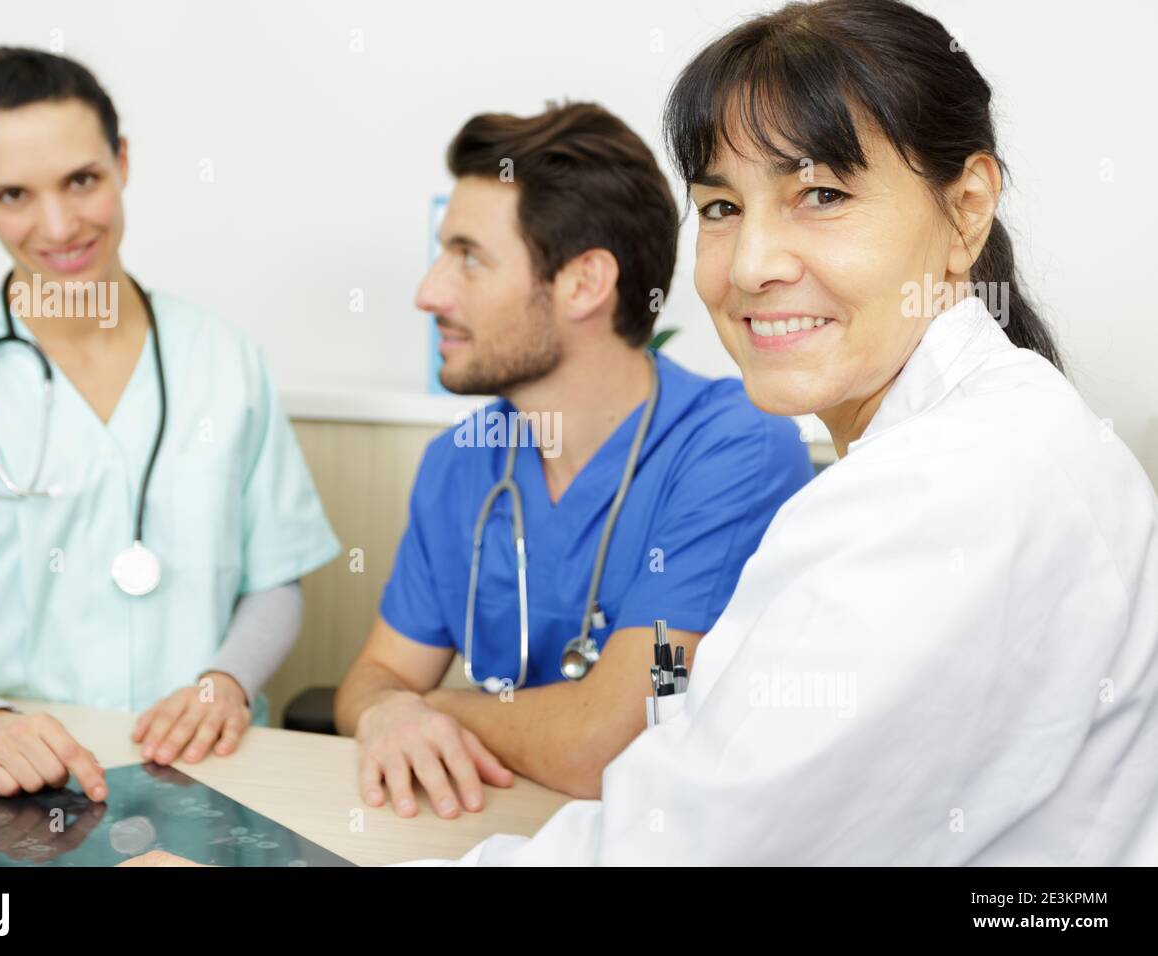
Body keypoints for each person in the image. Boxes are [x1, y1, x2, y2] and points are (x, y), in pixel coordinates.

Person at [422, 0, 1158, 864]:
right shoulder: (971, 439)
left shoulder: (952, 486)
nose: (749, 265)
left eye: (820, 194)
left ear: (966, 211)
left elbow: (685, 849)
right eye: (722, 207)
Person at [0, 48, 339, 801]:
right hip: (14, 778)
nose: (58, 225)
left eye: (81, 180)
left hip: (207, 771)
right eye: (13, 194)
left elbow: (276, 579)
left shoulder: (222, 357)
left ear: (120, 161)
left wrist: (226, 680)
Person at [332, 102, 813, 817]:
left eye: (468, 256)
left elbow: (608, 745)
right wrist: (385, 711)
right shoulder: (459, 465)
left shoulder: (736, 446)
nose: (428, 293)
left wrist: (430, 706)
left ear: (585, 283)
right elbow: (372, 679)